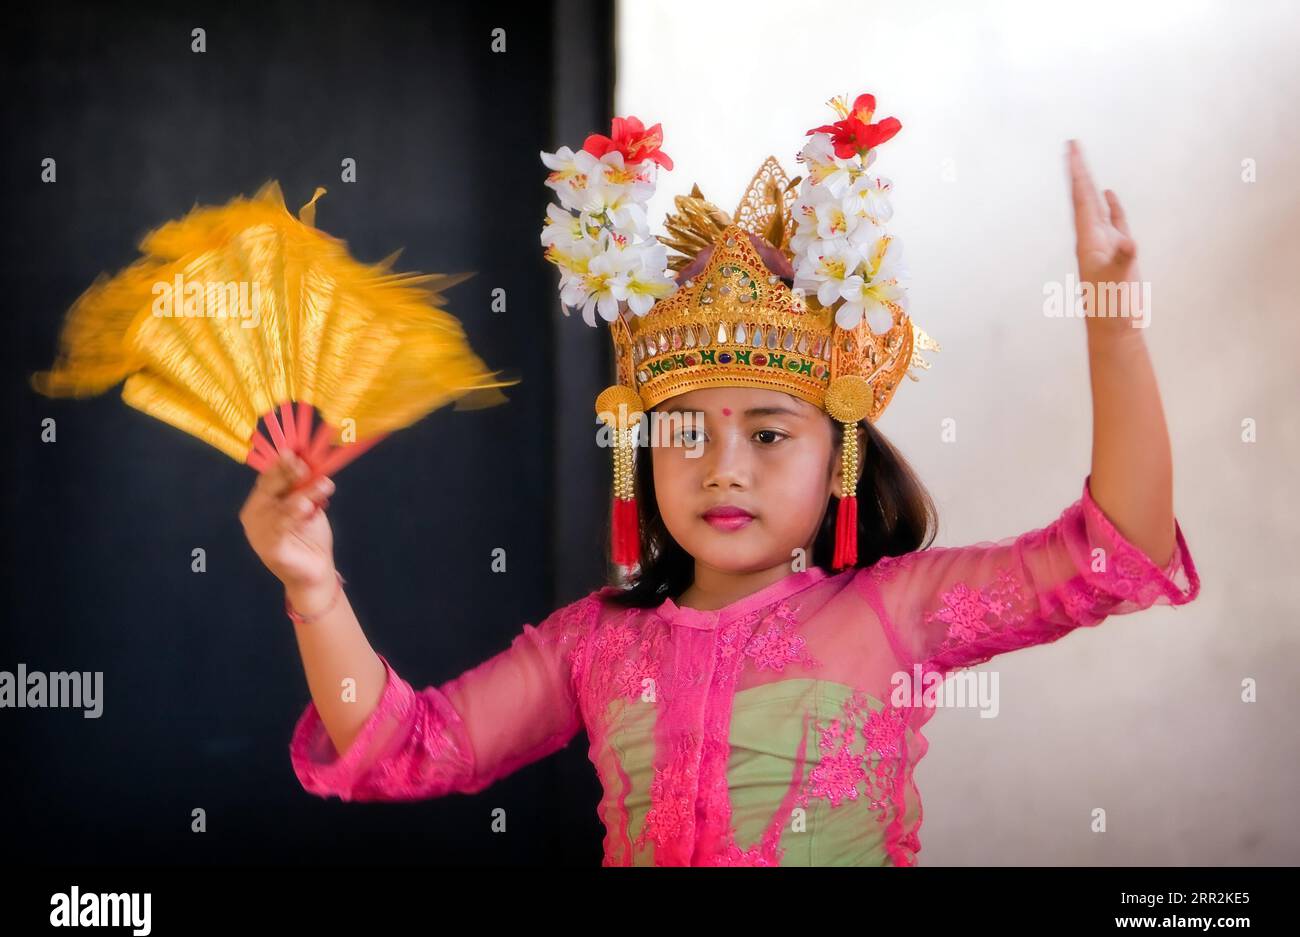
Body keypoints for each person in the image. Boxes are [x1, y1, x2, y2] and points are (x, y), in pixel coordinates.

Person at [240, 96, 1200, 866]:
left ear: (840, 460)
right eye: (685, 431)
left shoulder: (895, 611)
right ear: (640, 451)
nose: (722, 466)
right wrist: (314, 586)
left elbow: (1115, 553)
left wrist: (1113, 320)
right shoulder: (595, 644)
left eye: (771, 435)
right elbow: (405, 747)